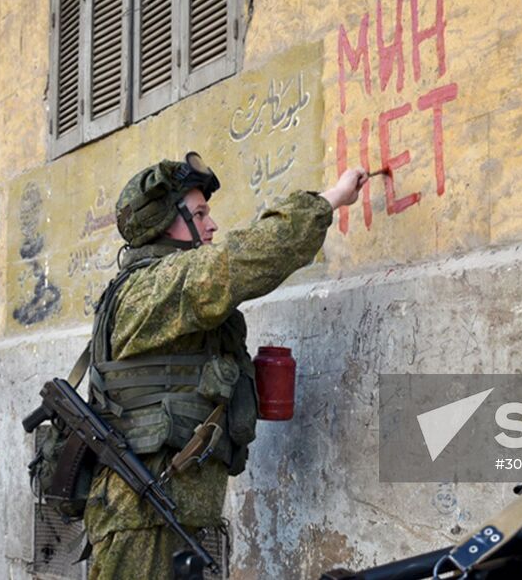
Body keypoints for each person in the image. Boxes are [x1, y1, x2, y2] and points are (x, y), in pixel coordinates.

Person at [81, 152, 366, 578]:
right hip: (140, 521)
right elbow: (240, 260)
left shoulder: (164, 285)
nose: (212, 225)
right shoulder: (153, 288)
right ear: (164, 225)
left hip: (170, 512)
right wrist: (330, 199)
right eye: (199, 213)